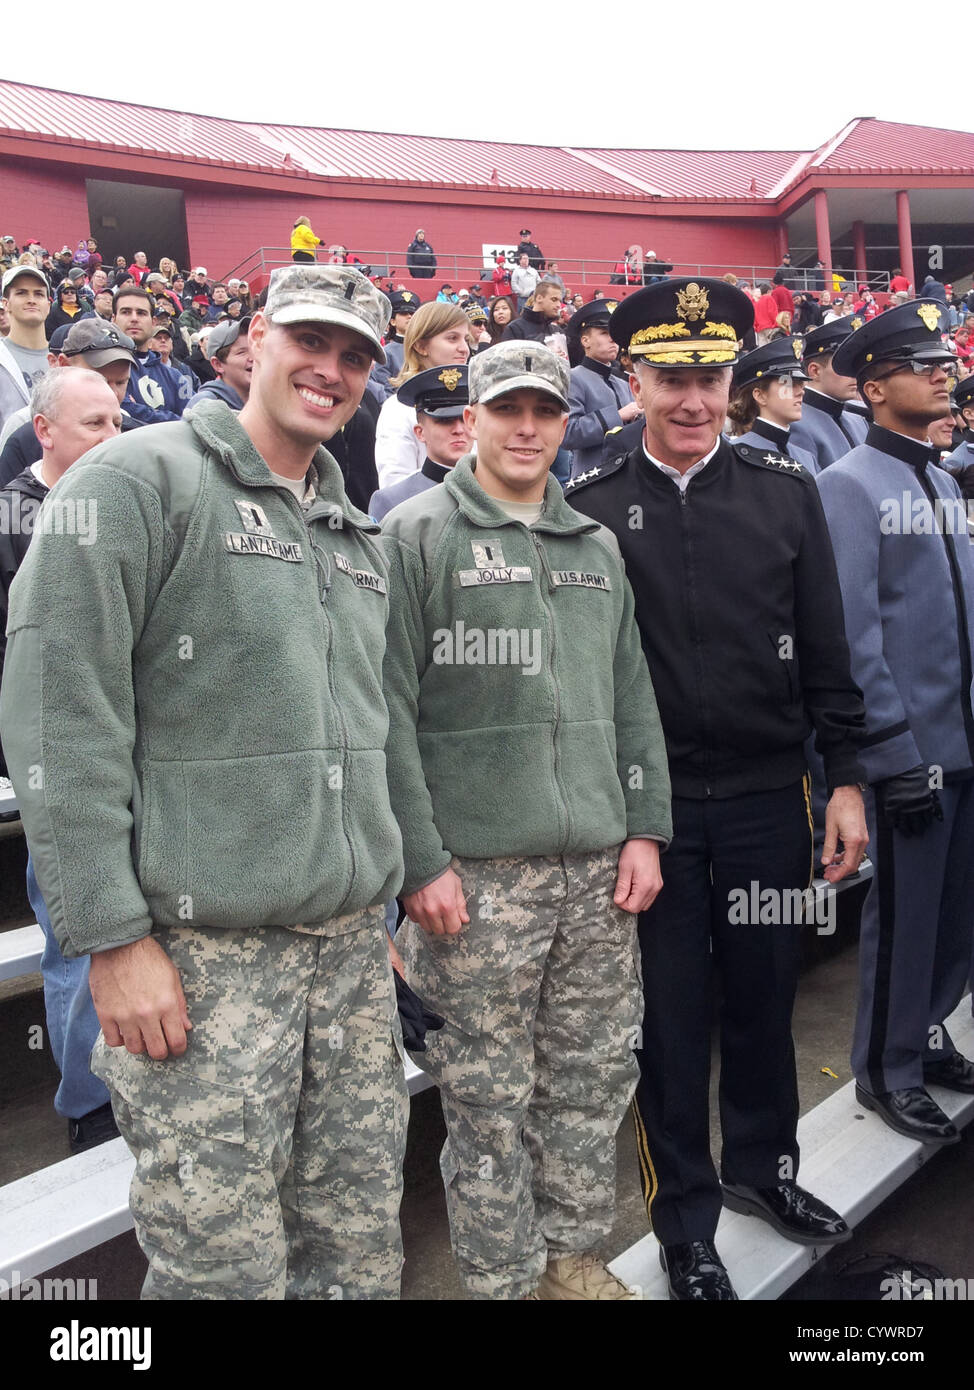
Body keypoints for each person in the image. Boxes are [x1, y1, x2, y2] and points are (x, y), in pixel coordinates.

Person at [0, 264, 409, 1300]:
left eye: (356, 355)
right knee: (220, 1271)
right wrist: (111, 937)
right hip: (202, 963)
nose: (331, 371)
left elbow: (369, 727)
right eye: (310, 343)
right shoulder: (139, 480)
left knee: (355, 1252)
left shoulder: (349, 526)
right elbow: (59, 715)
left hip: (349, 957)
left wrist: (386, 903)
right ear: (254, 340)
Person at [567, 279, 867, 1300]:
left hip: (763, 800)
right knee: (670, 1022)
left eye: (708, 376)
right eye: (669, 377)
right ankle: (682, 1225)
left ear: (731, 381)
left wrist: (846, 782)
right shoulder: (591, 506)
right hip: (648, 816)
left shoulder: (783, 491)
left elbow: (827, 649)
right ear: (635, 380)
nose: (691, 398)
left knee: (761, 999)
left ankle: (763, 1173)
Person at [381, 339, 672, 1299]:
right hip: (477, 878)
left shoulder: (595, 547)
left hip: (595, 871)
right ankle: (503, 1278)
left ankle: (571, 1256)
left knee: (589, 1077)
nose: (528, 429)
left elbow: (633, 696)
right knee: (488, 1095)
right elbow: (384, 710)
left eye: (546, 412)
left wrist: (644, 826)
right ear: (473, 417)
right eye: (508, 410)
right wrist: (420, 860)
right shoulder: (419, 534)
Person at [817, 304, 974, 1145]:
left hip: (967, 740)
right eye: (920, 364)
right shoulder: (846, 486)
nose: (942, 372)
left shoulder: (944, 481)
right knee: (907, 919)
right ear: (874, 387)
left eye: (945, 360)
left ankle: (928, 1031)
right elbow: (851, 633)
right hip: (914, 751)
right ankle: (886, 1068)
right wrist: (890, 752)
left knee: (957, 917)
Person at [0, 368, 123, 1152]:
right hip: (53, 759)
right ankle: (89, 1106)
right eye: (94, 425)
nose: (114, 439)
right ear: (45, 430)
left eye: (119, 421)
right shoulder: (12, 516)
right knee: (78, 934)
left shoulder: (120, 502)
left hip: (121, 748)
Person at [0, 318, 140, 486]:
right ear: (61, 365)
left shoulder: (137, 435)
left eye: (121, 382)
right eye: (99, 379)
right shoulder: (23, 434)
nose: (111, 393)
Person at [375, 301, 470, 488]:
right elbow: (395, 485)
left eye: (466, 339)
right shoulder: (398, 409)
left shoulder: (478, 401)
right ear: (420, 346)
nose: (464, 348)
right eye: (452, 338)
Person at [368, 364, 470, 521]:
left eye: (464, 419)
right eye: (445, 421)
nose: (458, 429)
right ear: (420, 433)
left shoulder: (498, 490)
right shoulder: (393, 501)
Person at [564, 298, 640, 478]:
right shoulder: (573, 378)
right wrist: (619, 415)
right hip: (591, 478)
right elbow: (568, 434)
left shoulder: (623, 383)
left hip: (627, 476)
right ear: (585, 340)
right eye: (604, 333)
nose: (613, 339)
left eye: (614, 333)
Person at [726, 337, 816, 473]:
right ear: (760, 395)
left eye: (801, 384)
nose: (801, 392)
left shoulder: (806, 457)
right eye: (789, 384)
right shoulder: (734, 456)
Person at [789, 319, 869, 470]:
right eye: (844, 366)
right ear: (815, 371)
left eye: (857, 364)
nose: (855, 373)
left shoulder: (859, 421)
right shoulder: (797, 426)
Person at [112, 287, 190, 423]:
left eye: (141, 313)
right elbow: (122, 413)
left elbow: (194, 415)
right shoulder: (106, 369)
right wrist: (177, 421)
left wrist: (139, 411)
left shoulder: (174, 376)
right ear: (113, 319)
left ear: (153, 322)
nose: (134, 319)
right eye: (126, 312)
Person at [0, 265, 52, 417]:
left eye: (38, 294)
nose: (31, 300)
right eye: (21, 293)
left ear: (48, 306)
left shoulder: (65, 359)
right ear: (6, 303)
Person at [185, 316, 252, 410]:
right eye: (241, 352)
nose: (253, 357)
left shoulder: (268, 398)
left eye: (255, 349)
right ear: (218, 364)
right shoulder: (204, 405)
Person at [500, 278, 564, 343]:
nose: (558, 305)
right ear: (539, 298)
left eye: (560, 301)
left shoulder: (557, 331)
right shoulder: (514, 329)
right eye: (554, 299)